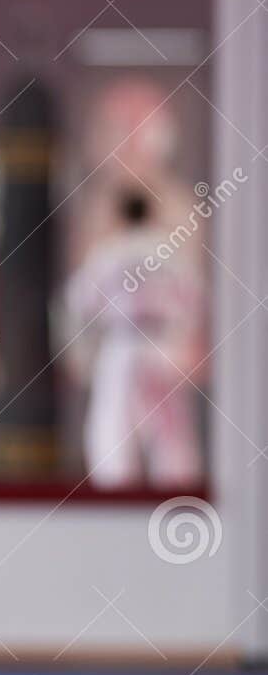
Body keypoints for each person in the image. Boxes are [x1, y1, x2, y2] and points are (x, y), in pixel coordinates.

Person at [61, 188, 205, 488]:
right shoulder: (170, 252)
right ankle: (179, 489)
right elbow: (195, 299)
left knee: (114, 421)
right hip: (163, 343)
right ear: (149, 213)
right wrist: (185, 339)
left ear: (121, 215)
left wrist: (80, 351)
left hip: (123, 342)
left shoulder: (110, 252)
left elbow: (79, 302)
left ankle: (115, 490)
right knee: (170, 425)